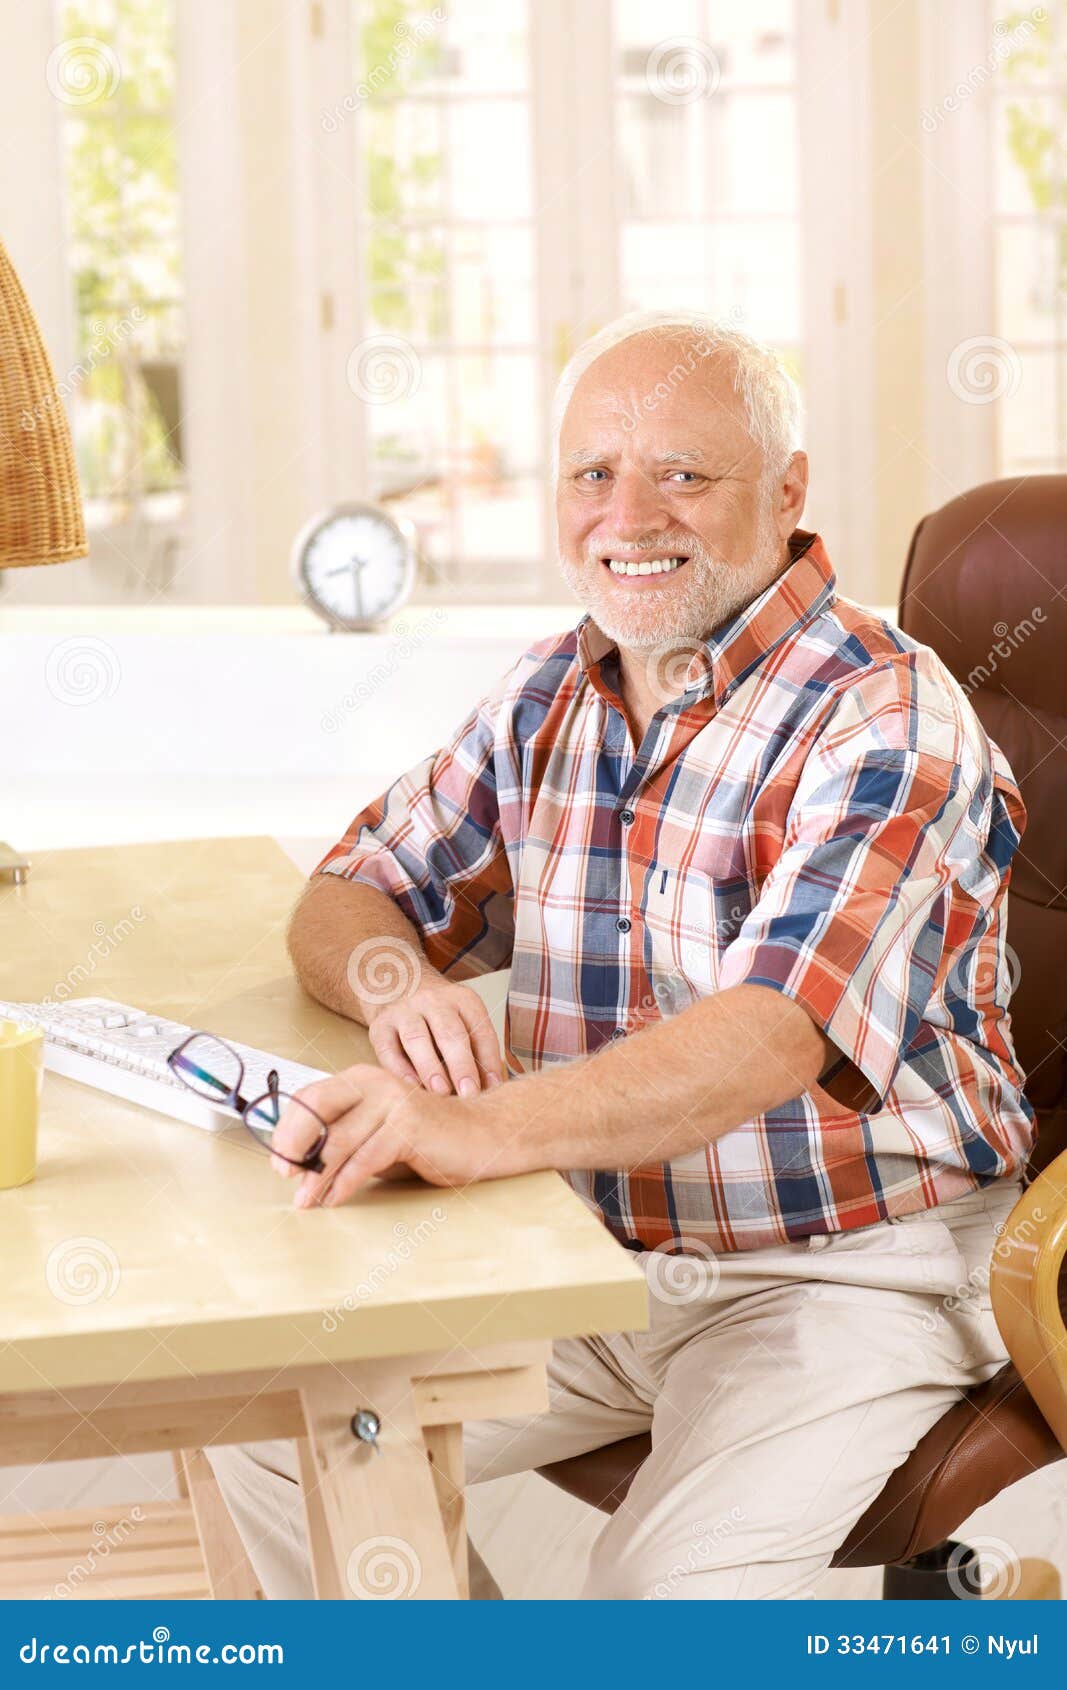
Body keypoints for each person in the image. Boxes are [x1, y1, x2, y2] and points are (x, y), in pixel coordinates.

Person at [207, 311, 1035, 1599]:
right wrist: (402, 984)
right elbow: (351, 887)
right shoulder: (552, 692)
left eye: (683, 476)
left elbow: (768, 1034)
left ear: (789, 492)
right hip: (592, 1250)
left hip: (843, 1265)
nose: (626, 515)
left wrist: (477, 1132)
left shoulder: (888, 713)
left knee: (654, 1611)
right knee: (270, 1423)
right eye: (594, 473)